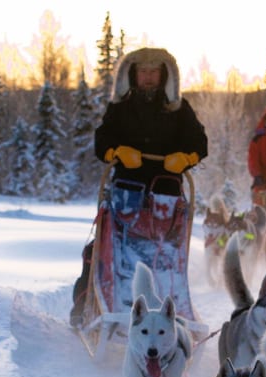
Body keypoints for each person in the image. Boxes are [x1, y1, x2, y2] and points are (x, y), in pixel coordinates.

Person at [70, 47, 208, 328]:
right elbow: (102, 142)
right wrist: (117, 152)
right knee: (96, 253)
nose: (148, 77)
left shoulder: (179, 109)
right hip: (125, 193)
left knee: (167, 259)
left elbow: (199, 143)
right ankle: (84, 307)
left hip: (166, 198)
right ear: (133, 75)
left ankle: (171, 307)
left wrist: (186, 158)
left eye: (153, 71)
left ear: (164, 75)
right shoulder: (120, 109)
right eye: (142, 71)